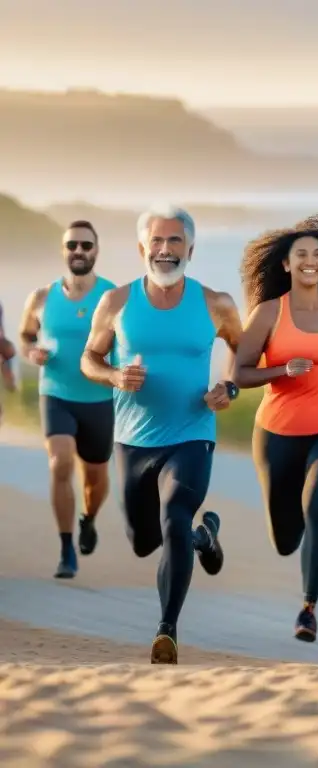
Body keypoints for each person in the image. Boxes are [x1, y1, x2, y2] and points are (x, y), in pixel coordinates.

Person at [80, 204, 241, 665]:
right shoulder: (116, 303)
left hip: (192, 434)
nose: (165, 250)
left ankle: (166, 630)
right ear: (141, 248)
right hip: (133, 440)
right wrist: (113, 377)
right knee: (144, 542)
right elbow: (89, 360)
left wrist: (227, 386)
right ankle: (203, 537)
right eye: (157, 241)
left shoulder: (216, 303)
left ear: (190, 248)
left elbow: (242, 349)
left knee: (174, 515)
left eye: (175, 241)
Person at [233, 214, 318, 642]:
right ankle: (288, 551)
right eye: (301, 255)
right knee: (285, 538)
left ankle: (309, 608)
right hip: (277, 434)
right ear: (286, 265)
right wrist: (280, 370)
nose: (310, 261)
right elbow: (239, 373)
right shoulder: (268, 314)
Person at [18, 221, 117, 578]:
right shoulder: (41, 297)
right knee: (59, 464)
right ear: (63, 250)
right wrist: (31, 353)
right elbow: (27, 335)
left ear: (96, 251)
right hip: (56, 393)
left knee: (95, 475)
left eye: (86, 245)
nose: (78, 251)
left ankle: (88, 518)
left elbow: (128, 342)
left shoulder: (111, 297)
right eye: (72, 245)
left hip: (99, 398)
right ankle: (66, 549)